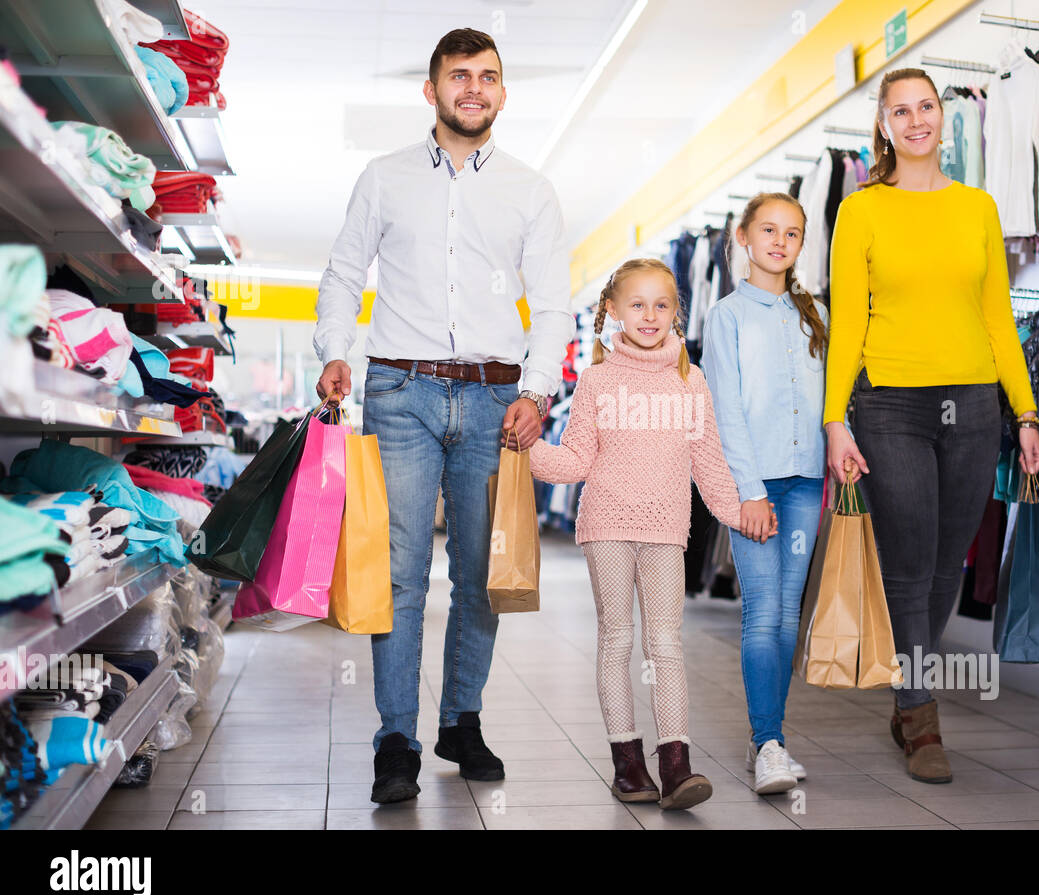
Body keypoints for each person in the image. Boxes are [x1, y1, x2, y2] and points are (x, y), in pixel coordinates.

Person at [312, 28, 573, 804]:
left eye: (488, 77)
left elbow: (555, 303)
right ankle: (397, 737)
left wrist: (537, 390)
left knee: (480, 573)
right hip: (400, 391)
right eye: (459, 76)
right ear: (431, 90)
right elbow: (340, 273)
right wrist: (334, 349)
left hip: (497, 400)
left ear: (501, 91)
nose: (474, 89)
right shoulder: (384, 177)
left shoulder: (531, 189)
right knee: (399, 574)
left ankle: (462, 718)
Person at [823, 67, 1039, 784]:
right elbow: (847, 321)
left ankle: (907, 684)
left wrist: (1027, 411)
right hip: (890, 405)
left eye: (927, 107)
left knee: (948, 560)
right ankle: (921, 716)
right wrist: (836, 421)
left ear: (944, 119)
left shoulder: (977, 206)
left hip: (975, 404)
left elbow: (997, 319)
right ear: (883, 126)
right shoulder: (862, 210)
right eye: (901, 110)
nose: (917, 120)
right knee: (910, 561)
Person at [521, 258, 763, 810]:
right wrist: (529, 449)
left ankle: (676, 767)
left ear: (677, 312)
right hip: (605, 525)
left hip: (667, 530)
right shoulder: (597, 381)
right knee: (617, 640)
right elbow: (578, 458)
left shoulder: (690, 380)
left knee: (666, 644)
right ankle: (628, 764)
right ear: (613, 310)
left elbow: (708, 461)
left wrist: (738, 510)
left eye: (662, 305)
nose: (650, 316)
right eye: (638, 304)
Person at [701, 192, 827, 795]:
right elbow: (725, 409)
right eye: (769, 230)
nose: (781, 241)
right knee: (762, 612)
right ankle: (770, 741)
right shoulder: (726, 316)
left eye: (793, 233)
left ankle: (767, 739)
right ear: (744, 238)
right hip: (754, 486)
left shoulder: (816, 314)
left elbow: (833, 403)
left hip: (807, 480)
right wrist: (747, 493)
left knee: (785, 618)